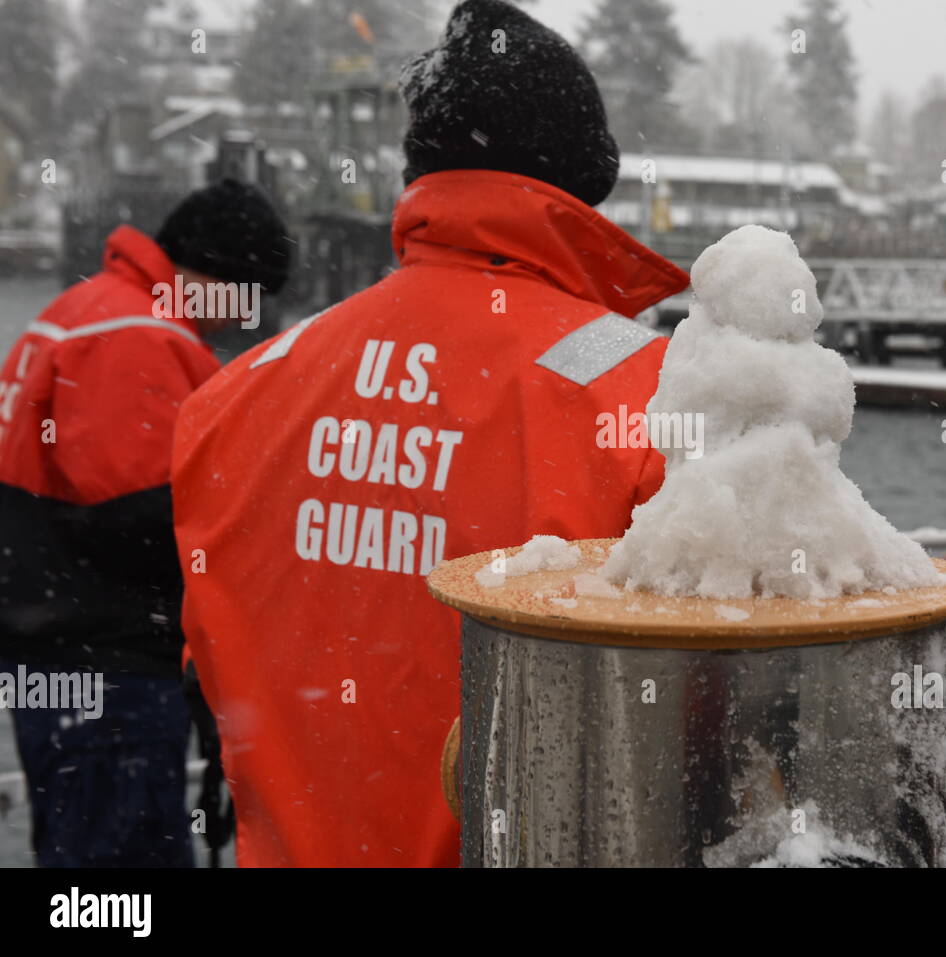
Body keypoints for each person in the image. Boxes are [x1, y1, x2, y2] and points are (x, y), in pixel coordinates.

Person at [171, 0, 690, 868]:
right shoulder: (648, 386)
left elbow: (210, 659)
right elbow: (705, 725)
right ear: (581, 185)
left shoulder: (235, 394)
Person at [0, 179, 291, 866]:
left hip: (55, 654)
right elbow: (142, 516)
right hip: (110, 673)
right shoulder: (138, 337)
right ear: (211, 274)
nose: (239, 322)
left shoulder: (79, 310)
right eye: (242, 298)